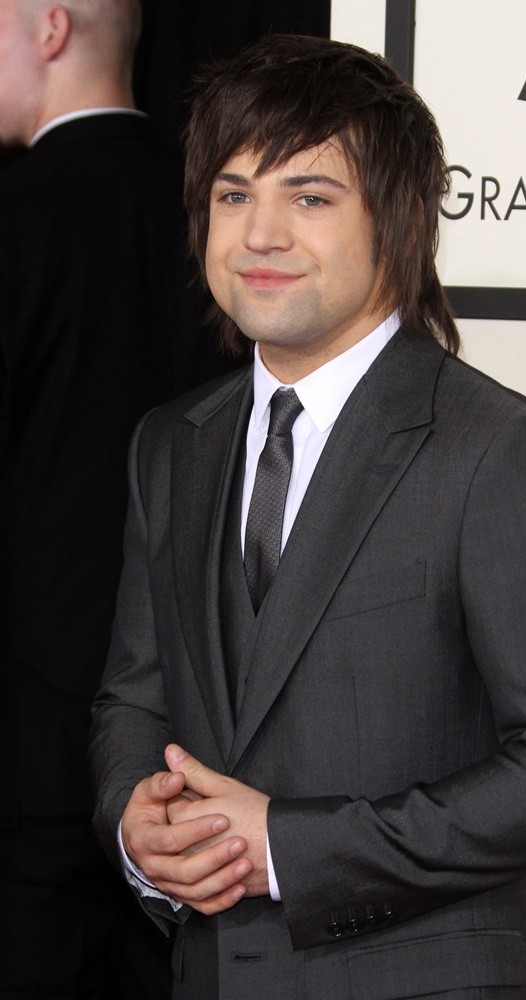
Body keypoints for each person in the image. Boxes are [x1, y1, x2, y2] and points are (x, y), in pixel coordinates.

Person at [89, 34, 526, 1000]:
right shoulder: (171, 443)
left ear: (398, 221)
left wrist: (294, 849)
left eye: (309, 197)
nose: (260, 234)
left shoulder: (503, 450)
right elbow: (133, 700)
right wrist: (137, 825)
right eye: (233, 195)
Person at [0, 1, 226, 996]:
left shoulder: (18, 216)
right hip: (200, 745)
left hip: (27, 757)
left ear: (50, 27)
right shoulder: (221, 225)